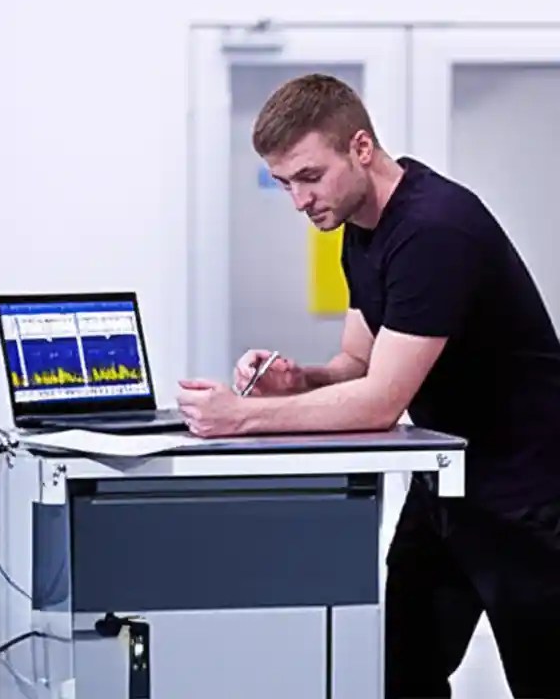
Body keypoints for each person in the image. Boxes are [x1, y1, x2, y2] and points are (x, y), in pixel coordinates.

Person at [175, 72, 560, 698]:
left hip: (531, 494)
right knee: (400, 670)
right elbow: (358, 363)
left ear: (359, 148)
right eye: (283, 184)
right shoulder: (359, 229)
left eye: (308, 177)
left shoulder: (435, 228)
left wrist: (238, 418)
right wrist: (295, 381)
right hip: (451, 485)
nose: (299, 201)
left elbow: (381, 403)